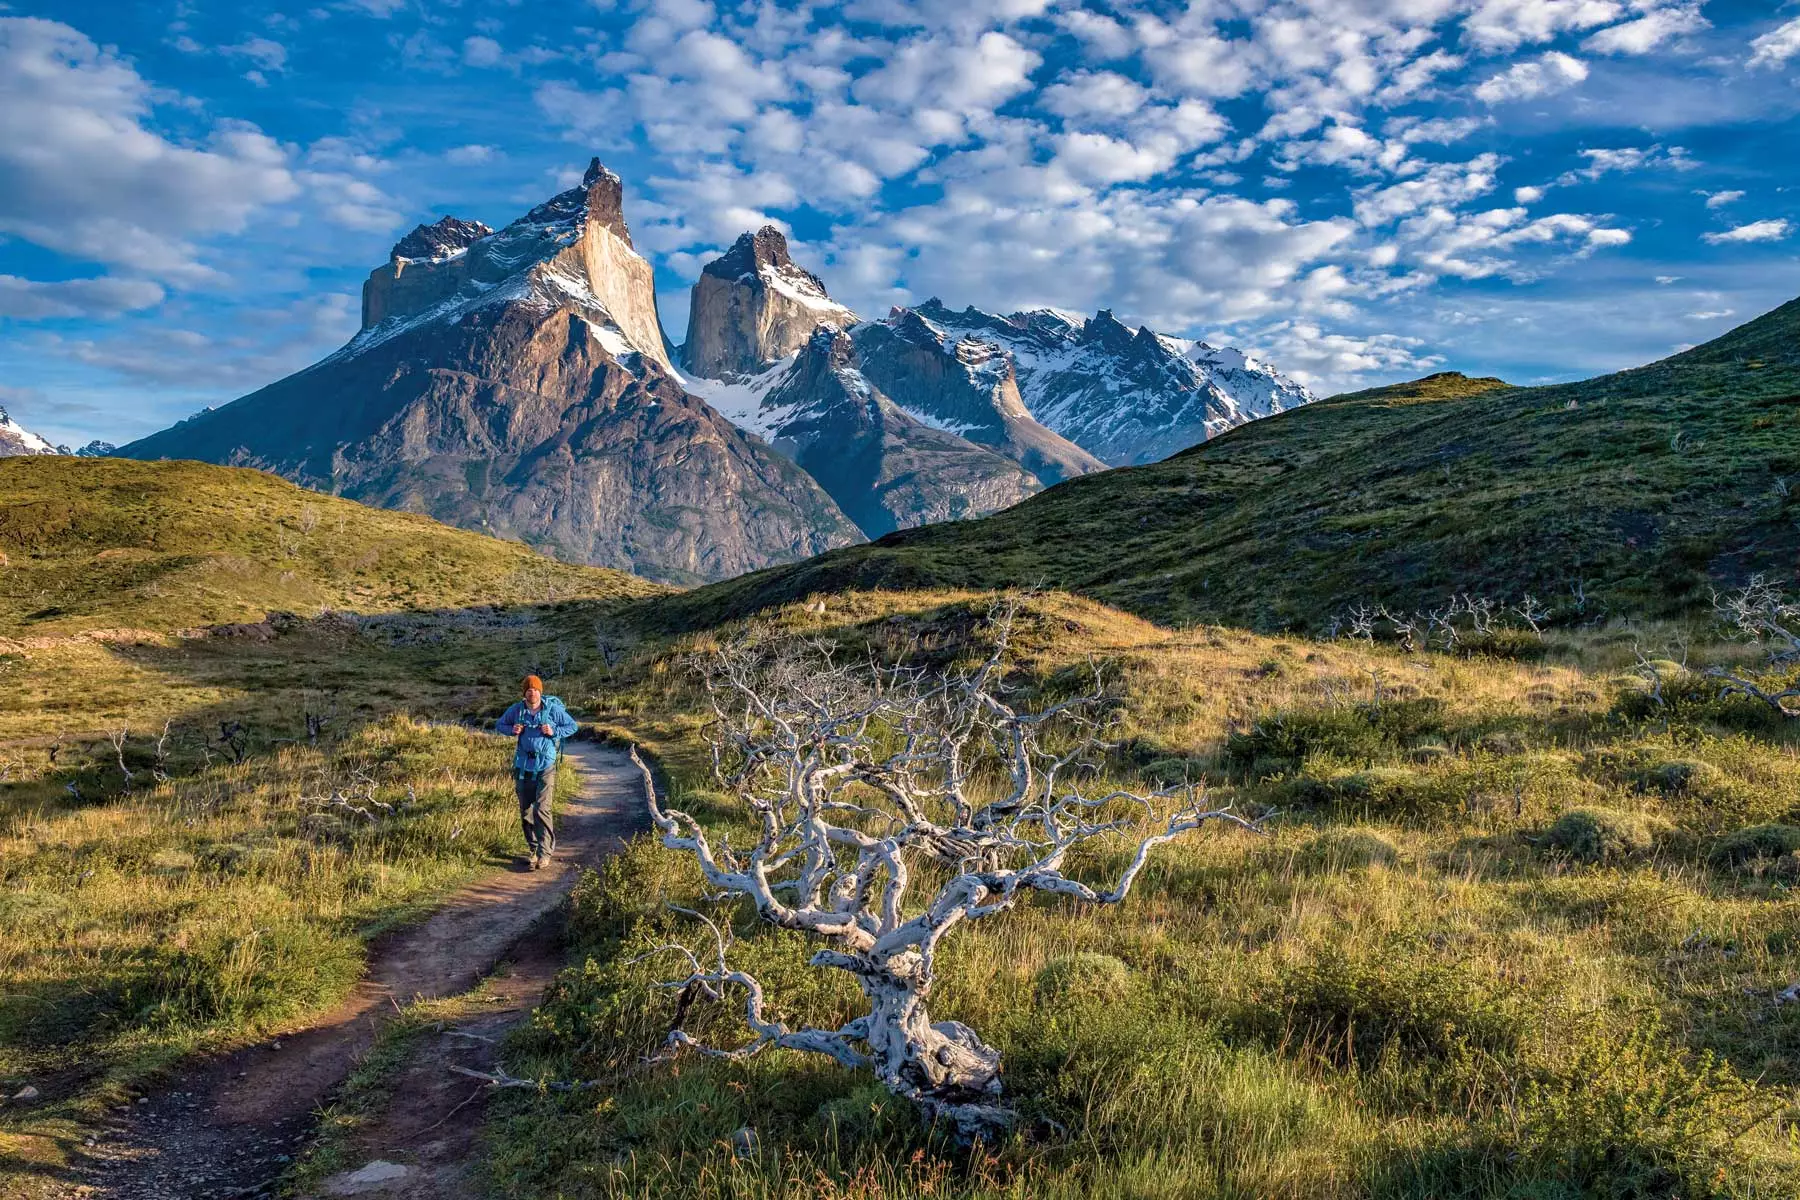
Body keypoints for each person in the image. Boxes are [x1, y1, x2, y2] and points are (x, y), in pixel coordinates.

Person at [496, 675, 578, 870]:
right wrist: (511, 730)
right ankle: (533, 849)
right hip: (523, 766)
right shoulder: (516, 710)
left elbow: (572, 726)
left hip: (545, 765)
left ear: (540, 692)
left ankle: (544, 853)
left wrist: (554, 730)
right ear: (524, 693)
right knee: (525, 810)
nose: (532, 693)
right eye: (529, 690)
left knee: (541, 808)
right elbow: (500, 725)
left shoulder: (552, 710)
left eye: (536, 690)